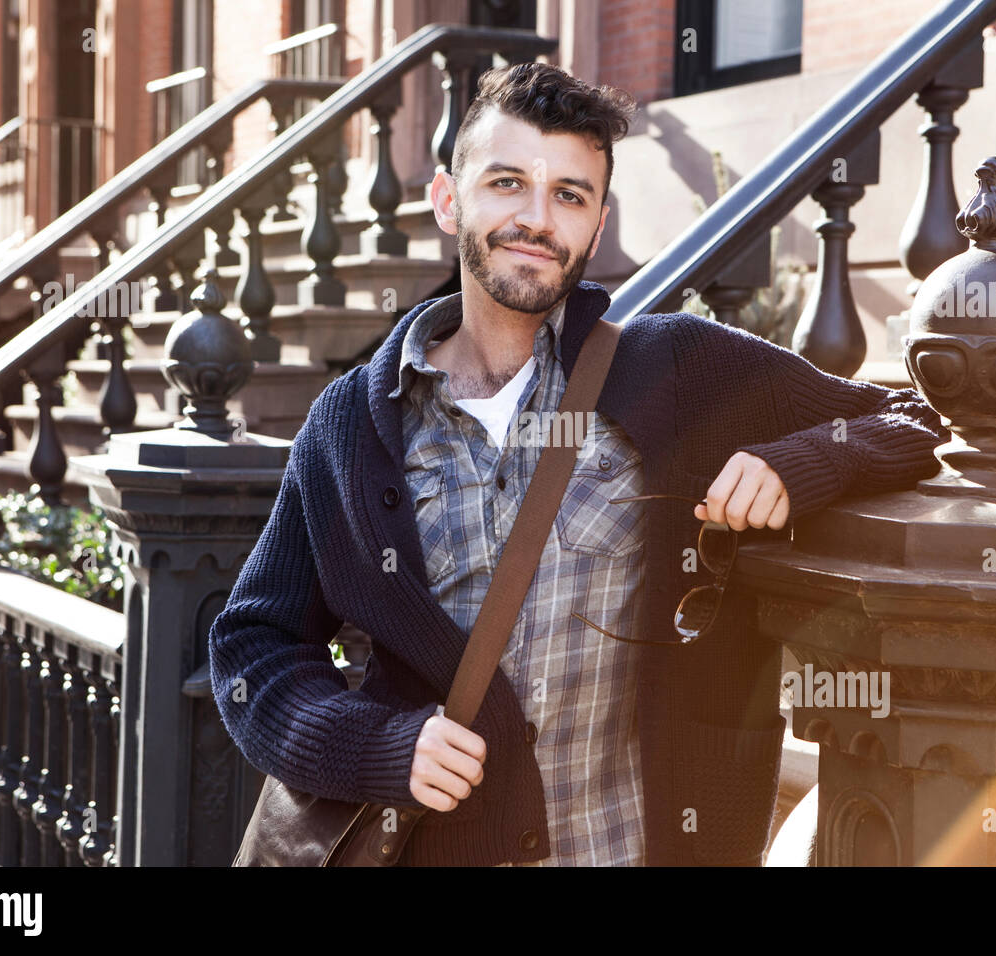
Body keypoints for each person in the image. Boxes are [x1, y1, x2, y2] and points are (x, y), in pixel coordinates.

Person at [208, 61, 948, 866]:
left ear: (596, 227)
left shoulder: (676, 369)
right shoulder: (351, 422)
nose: (536, 218)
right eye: (506, 183)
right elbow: (255, 646)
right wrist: (380, 746)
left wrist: (797, 465)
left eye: (569, 194)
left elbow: (914, 417)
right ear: (449, 200)